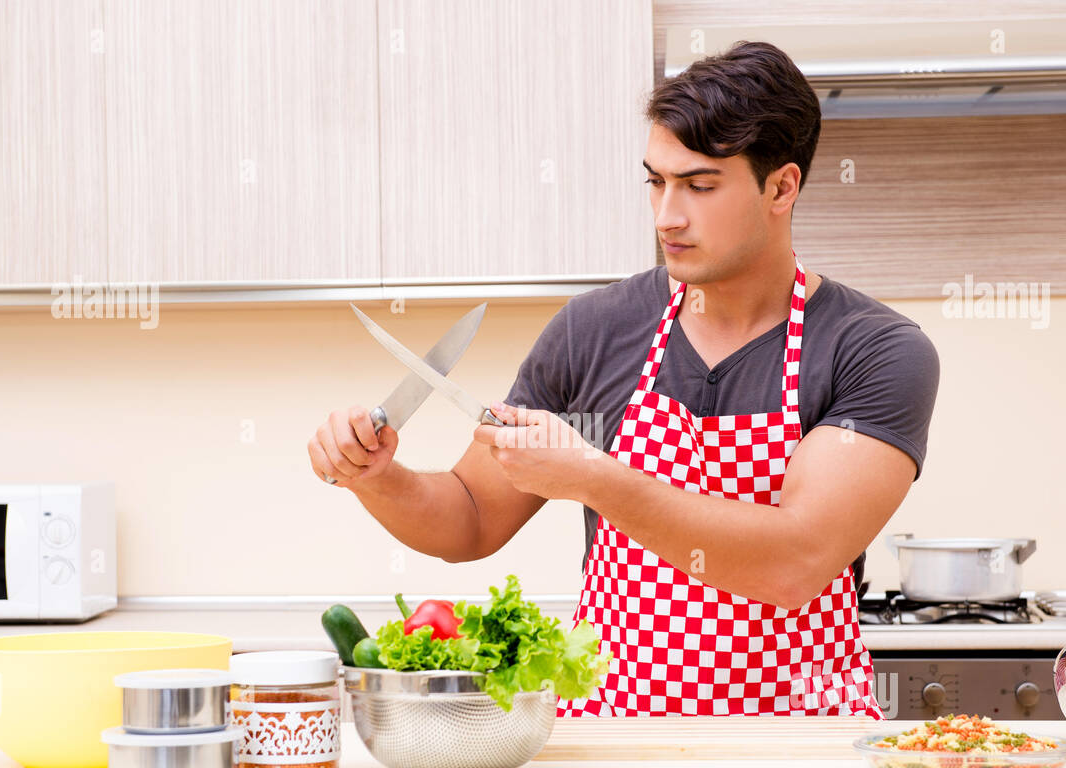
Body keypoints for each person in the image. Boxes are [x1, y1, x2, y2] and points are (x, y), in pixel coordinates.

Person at [308, 41, 939, 718]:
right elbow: (471, 517)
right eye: (656, 182)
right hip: (617, 743)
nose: (667, 214)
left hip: (801, 750)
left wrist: (591, 476)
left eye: (698, 186)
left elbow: (793, 563)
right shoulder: (595, 330)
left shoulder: (876, 350)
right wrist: (378, 477)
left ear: (781, 186)